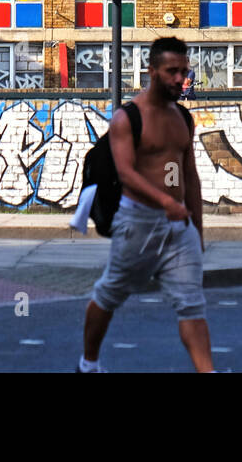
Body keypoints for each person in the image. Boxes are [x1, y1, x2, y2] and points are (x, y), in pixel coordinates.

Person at [80, 36, 213, 373]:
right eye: (172, 71)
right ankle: (88, 363)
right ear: (151, 71)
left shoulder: (183, 119)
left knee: (191, 303)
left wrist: (197, 229)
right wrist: (165, 200)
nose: (180, 79)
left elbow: (191, 177)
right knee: (109, 293)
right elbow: (125, 172)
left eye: (184, 71)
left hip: (178, 226)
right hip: (136, 223)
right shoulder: (128, 119)